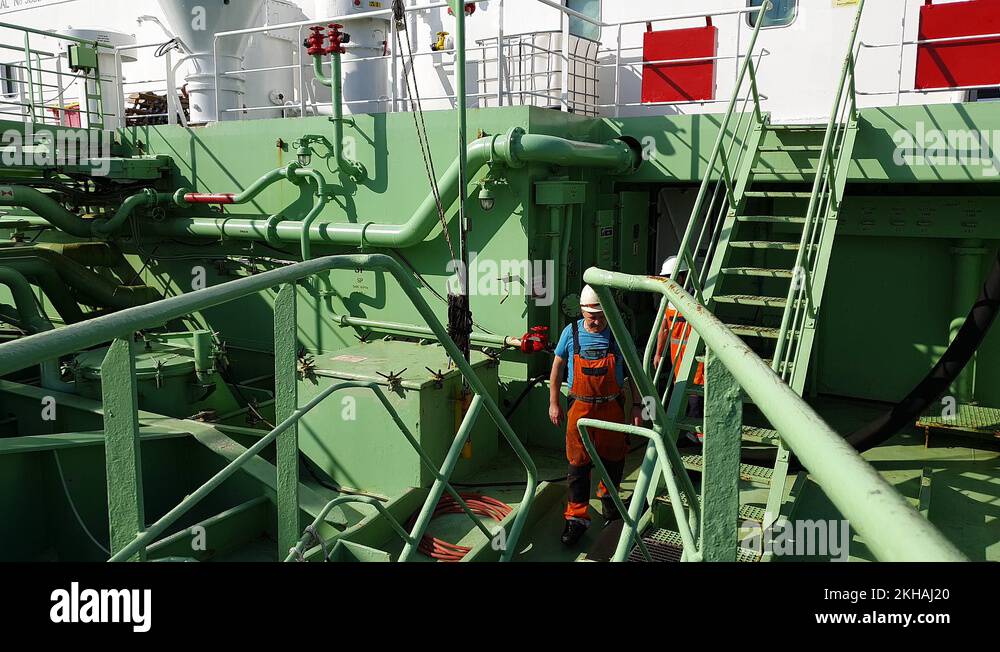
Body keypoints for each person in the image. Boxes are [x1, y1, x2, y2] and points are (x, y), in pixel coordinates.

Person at [548, 285, 642, 546]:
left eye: (601, 316)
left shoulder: (617, 335)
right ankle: (576, 519)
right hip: (579, 408)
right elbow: (556, 369)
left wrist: (637, 406)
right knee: (577, 466)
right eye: (593, 317)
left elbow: (633, 373)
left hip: (611, 407)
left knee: (614, 460)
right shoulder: (571, 333)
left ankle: (609, 503)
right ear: (582, 312)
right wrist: (554, 403)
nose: (598, 321)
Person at [653, 256, 705, 441]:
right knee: (682, 393)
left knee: (696, 395)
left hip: (695, 361)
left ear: (682, 277)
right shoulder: (667, 300)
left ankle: (698, 434)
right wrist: (658, 353)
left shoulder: (696, 299)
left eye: (670, 277)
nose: (667, 281)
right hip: (677, 360)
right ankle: (688, 434)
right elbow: (664, 329)